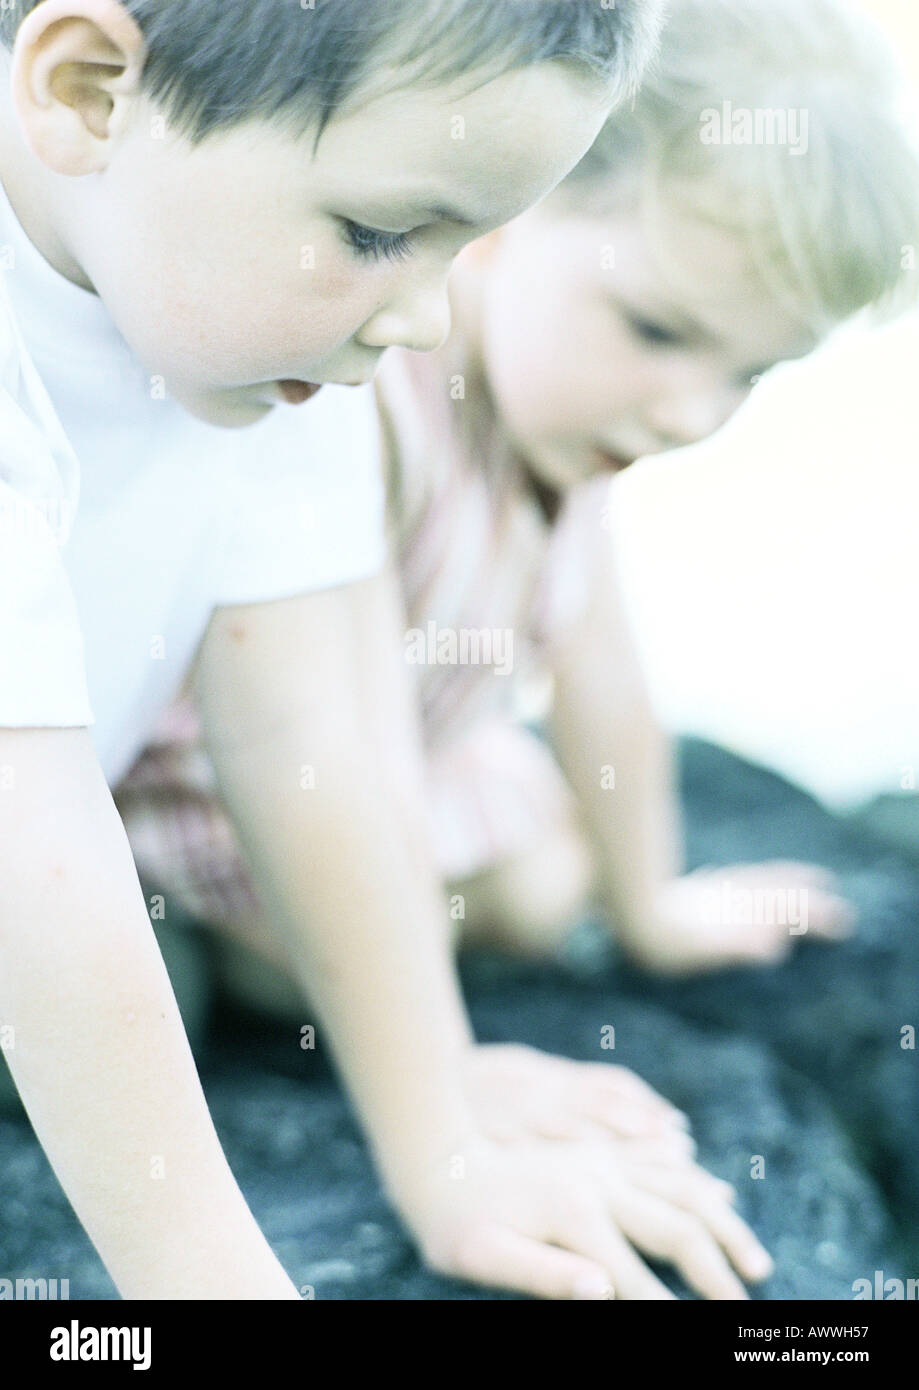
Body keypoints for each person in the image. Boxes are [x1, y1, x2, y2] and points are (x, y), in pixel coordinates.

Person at [112, 0, 919, 1294]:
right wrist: (439, 1087)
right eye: (658, 332)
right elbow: (327, 750)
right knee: (455, 900)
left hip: (408, 765)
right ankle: (259, 984)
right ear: (498, 215)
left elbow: (604, 667)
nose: (689, 410)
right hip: (234, 799)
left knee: (551, 871)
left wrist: (650, 903)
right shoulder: (367, 402)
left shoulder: (572, 444)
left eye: (749, 375)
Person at [1, 0, 757, 1304]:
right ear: (85, 93)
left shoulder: (265, 337)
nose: (422, 322)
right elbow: (34, 852)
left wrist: (443, 1133)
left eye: (461, 248)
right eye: (378, 233)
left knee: (162, 990)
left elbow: (313, 740)